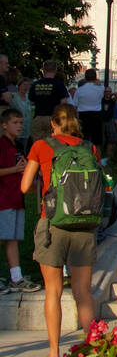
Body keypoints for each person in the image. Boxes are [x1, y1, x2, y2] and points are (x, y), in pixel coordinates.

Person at [20, 105, 102, 357]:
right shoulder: (90, 148)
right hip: (85, 225)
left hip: (53, 223)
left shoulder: (42, 146)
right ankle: (93, 350)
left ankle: (54, 352)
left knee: (53, 291)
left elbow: (24, 186)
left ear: (54, 125)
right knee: (83, 291)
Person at [0, 108, 38, 293]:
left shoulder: (16, 145)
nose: (19, 126)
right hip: (4, 199)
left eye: (21, 123)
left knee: (13, 239)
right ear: (4, 125)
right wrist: (15, 169)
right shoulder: (2, 145)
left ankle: (16, 276)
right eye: (15, 122)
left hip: (16, 199)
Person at [28, 60, 69, 143]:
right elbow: (64, 102)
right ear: (55, 70)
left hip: (38, 117)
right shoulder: (59, 84)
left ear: (43, 70)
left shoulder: (36, 84)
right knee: (53, 144)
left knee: (38, 144)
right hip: (53, 118)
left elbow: (31, 101)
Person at [72, 69, 104, 149]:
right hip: (96, 115)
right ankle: (98, 159)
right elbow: (100, 84)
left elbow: (75, 106)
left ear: (85, 78)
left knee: (83, 139)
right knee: (97, 141)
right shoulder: (100, 89)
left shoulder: (79, 90)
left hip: (83, 115)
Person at [10, 77, 33, 146]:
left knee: (23, 151)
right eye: (24, 85)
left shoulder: (29, 98)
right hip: (15, 130)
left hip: (26, 130)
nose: (26, 87)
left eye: (28, 85)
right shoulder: (13, 97)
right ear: (19, 85)